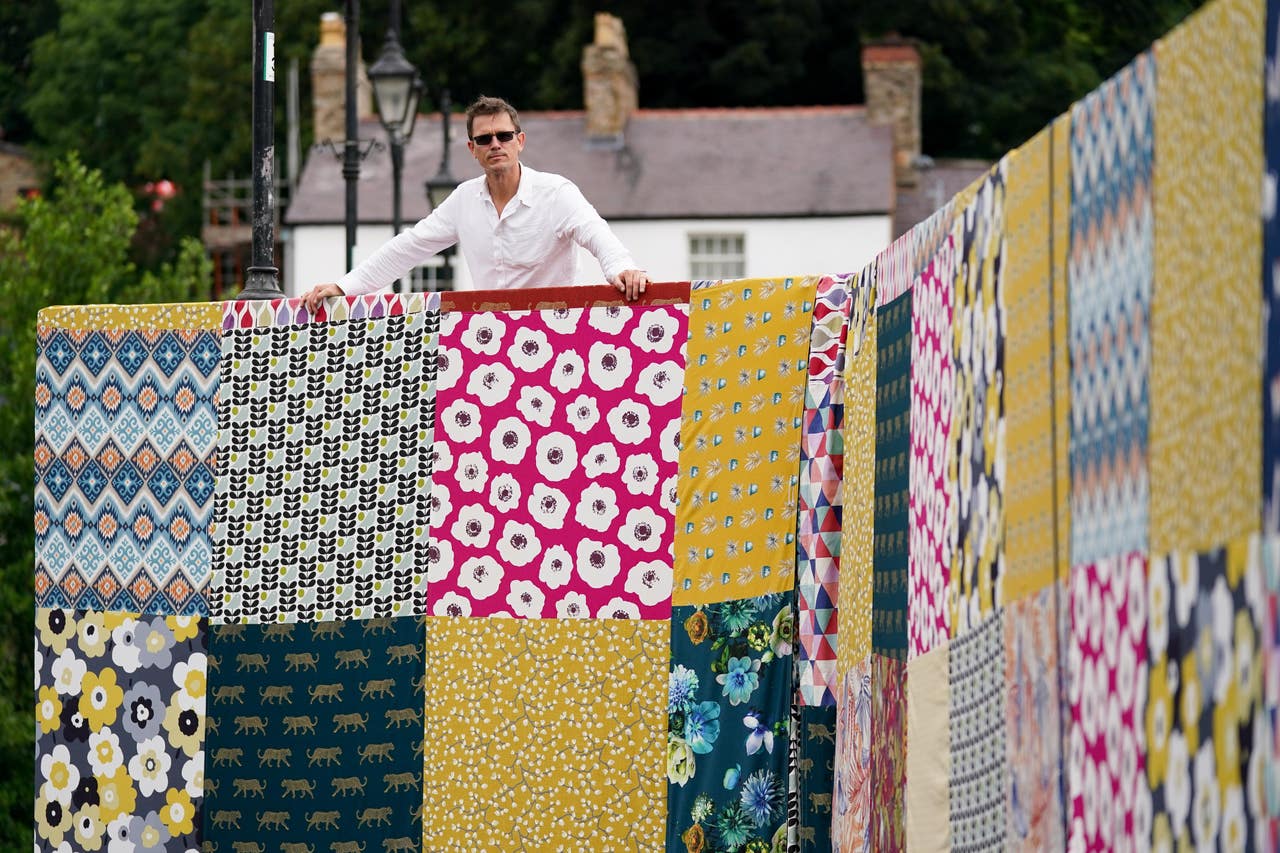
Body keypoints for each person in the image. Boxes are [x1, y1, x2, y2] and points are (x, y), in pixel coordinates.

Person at [302, 95, 649, 311]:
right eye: (484, 139)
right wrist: (344, 286)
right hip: (490, 337)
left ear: (520, 141)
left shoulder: (556, 192)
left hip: (557, 331)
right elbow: (408, 247)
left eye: (504, 136)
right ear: (472, 149)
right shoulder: (463, 201)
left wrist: (621, 269)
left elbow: (595, 233)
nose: (495, 144)